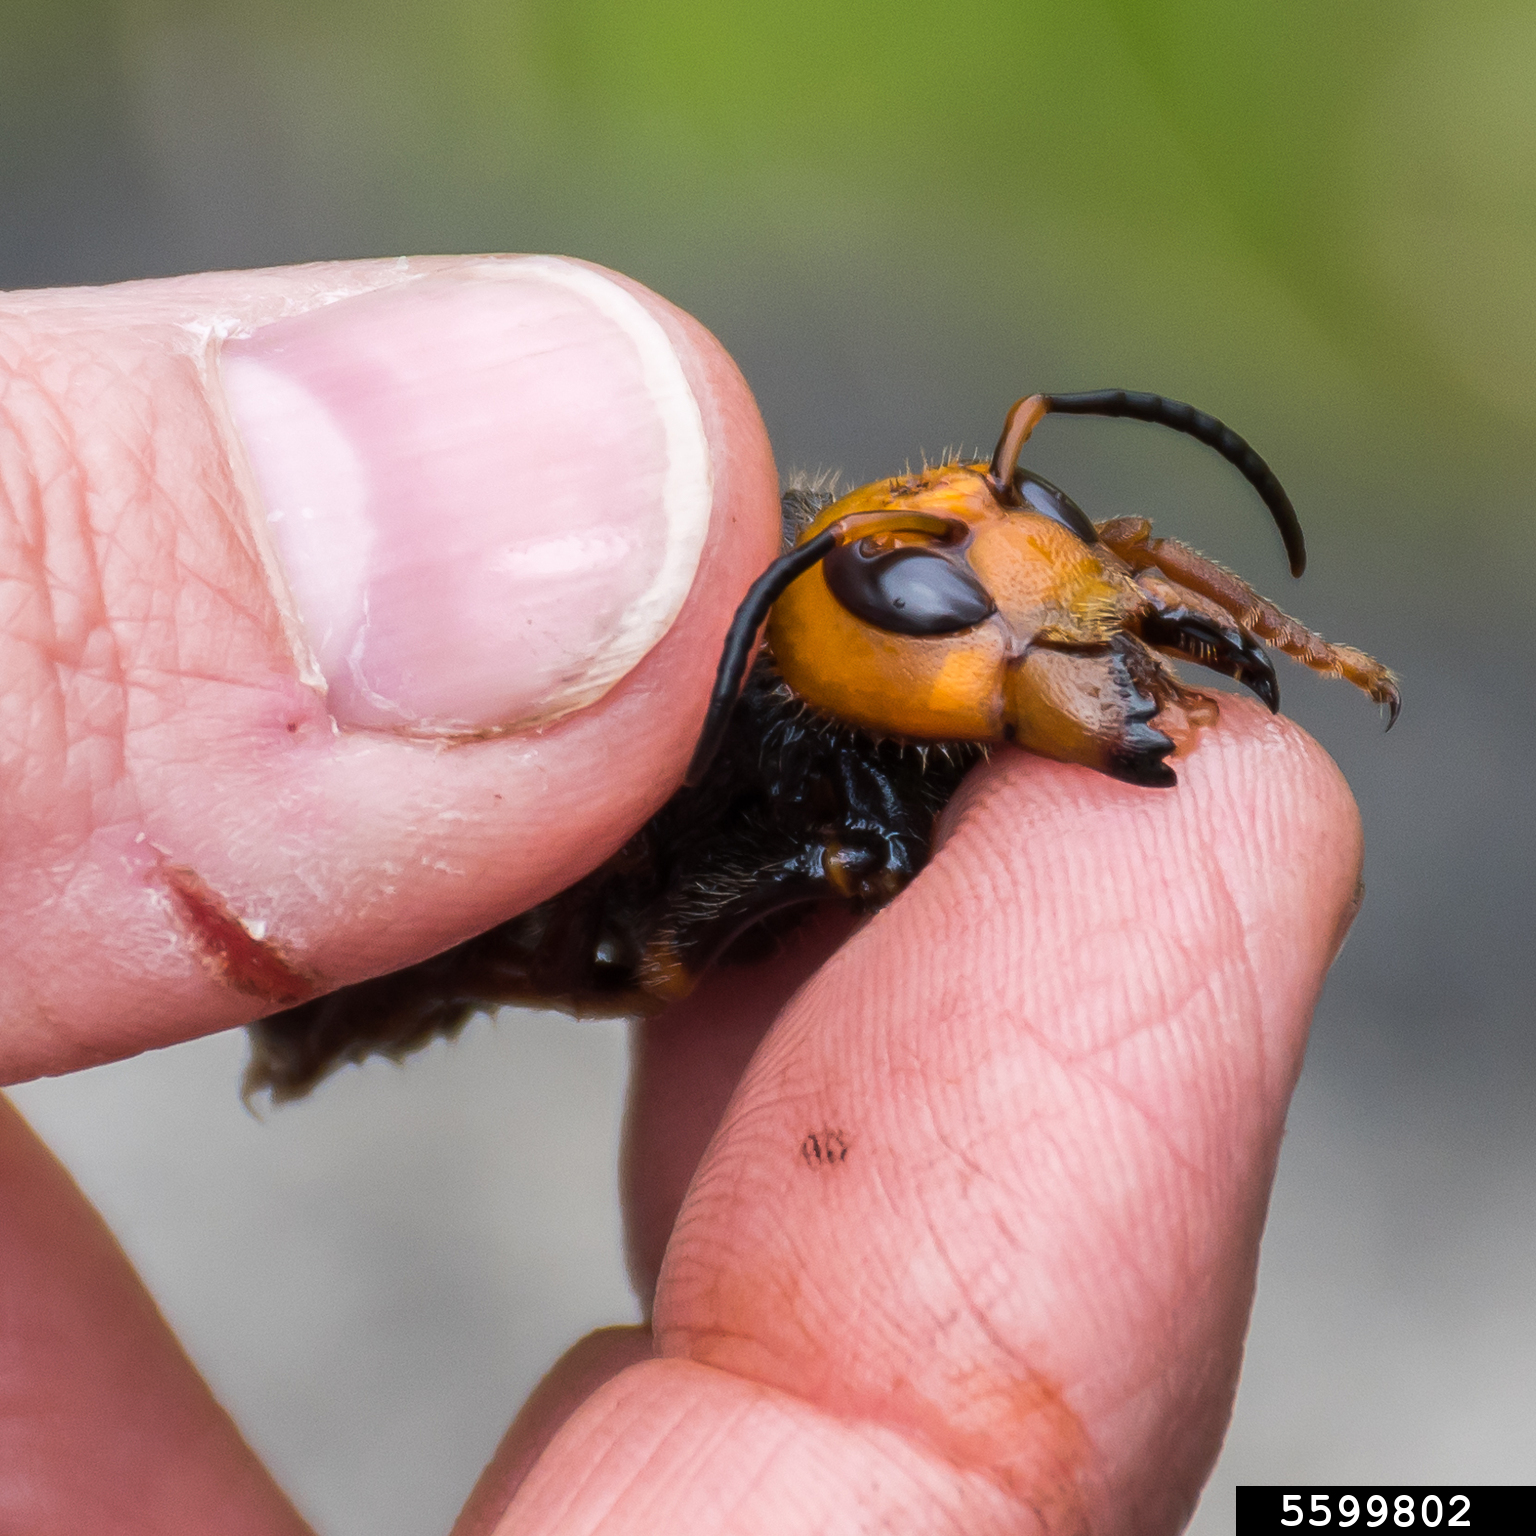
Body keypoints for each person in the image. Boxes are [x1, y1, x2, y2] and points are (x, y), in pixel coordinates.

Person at [0, 256, 1362, 1535]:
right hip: (547, 920)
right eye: (949, 588)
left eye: (1032, 534)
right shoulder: (765, 728)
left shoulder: (937, 664)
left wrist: (1279, 637)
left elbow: (1104, 547)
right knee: (720, 902)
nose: (1047, 585)